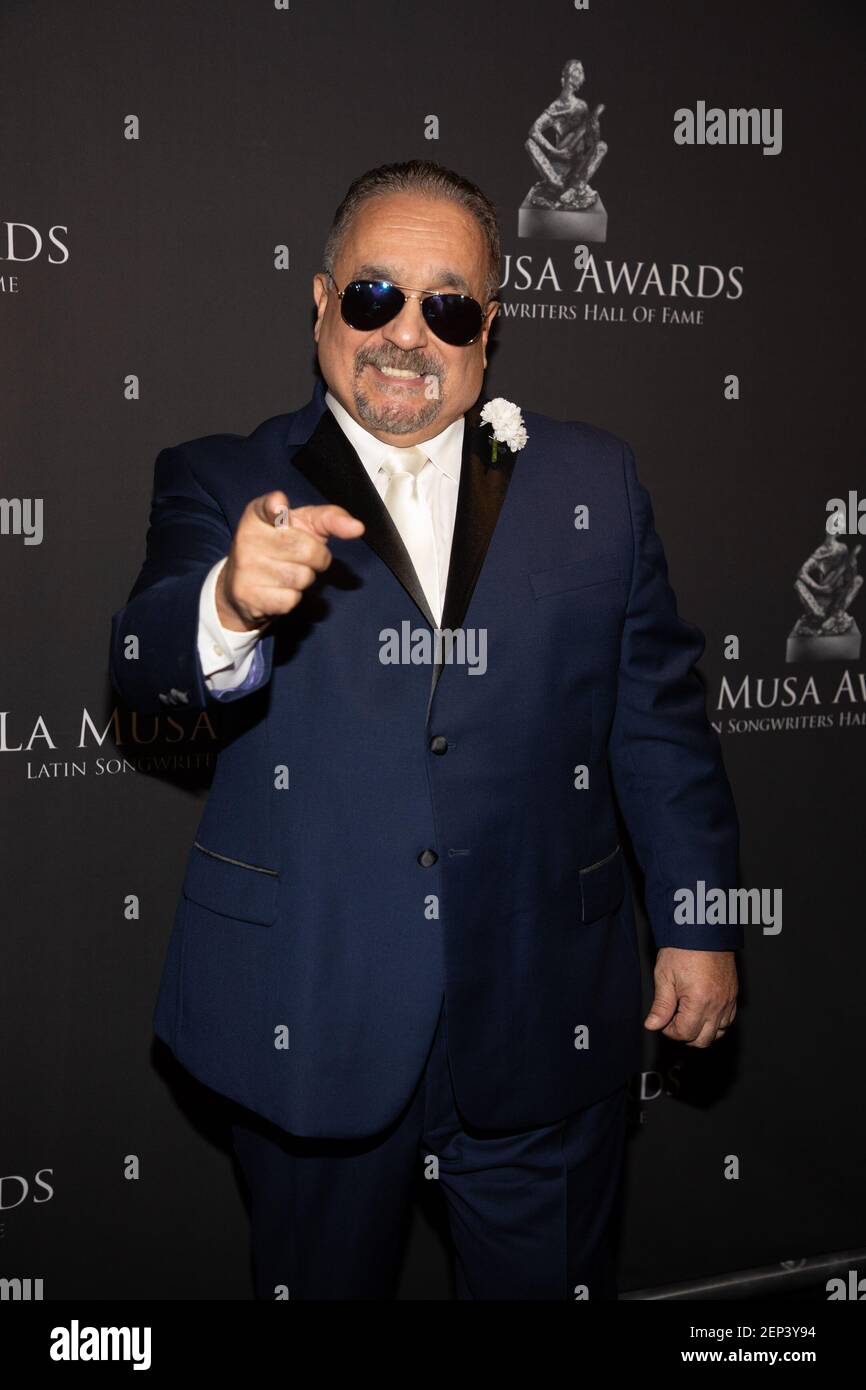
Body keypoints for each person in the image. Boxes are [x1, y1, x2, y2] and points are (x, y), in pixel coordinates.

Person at [109, 159, 741, 1301]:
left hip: (549, 1013)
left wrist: (697, 917)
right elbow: (143, 659)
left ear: (485, 329)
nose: (405, 332)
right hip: (312, 1011)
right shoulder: (222, 477)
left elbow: (655, 719)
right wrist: (227, 601)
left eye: (445, 306)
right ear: (318, 302)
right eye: (372, 296)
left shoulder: (592, 480)